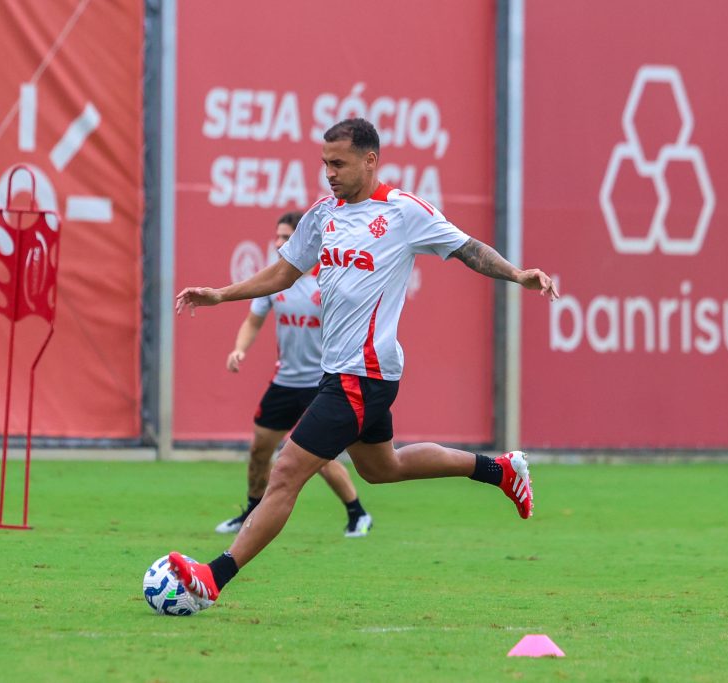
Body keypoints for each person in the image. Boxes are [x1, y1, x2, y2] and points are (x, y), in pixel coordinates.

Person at [170, 118, 559, 611]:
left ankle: (213, 577)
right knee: (382, 467)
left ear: (370, 160)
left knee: (286, 470)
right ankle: (499, 469)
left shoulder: (402, 212)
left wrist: (518, 274)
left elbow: (467, 249)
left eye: (338, 163)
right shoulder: (322, 214)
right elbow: (285, 271)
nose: (328, 173)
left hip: (365, 373)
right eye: (324, 164)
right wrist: (221, 294)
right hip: (343, 372)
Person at [217, 211, 373, 538]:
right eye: (276, 237)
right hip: (284, 382)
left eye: (286, 238)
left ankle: (357, 513)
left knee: (316, 456)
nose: (278, 243)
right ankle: (251, 510)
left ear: (305, 240)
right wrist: (239, 348)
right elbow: (253, 321)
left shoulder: (327, 280)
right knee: (260, 450)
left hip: (320, 384)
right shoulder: (275, 283)